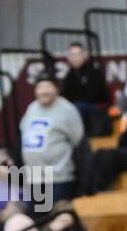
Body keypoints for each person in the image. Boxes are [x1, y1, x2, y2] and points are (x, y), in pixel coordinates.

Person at [20, 75, 84, 209]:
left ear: (57, 89)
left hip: (58, 177)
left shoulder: (67, 109)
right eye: (40, 87)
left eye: (48, 87)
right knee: (36, 220)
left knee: (57, 218)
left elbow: (78, 139)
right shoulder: (32, 107)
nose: (44, 91)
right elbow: (23, 133)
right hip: (35, 177)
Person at [60, 42, 110, 137]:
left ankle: (79, 137)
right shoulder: (69, 75)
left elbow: (93, 95)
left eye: (77, 54)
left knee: (77, 107)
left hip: (95, 106)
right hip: (76, 106)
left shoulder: (94, 71)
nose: (74, 58)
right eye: (72, 55)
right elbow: (65, 94)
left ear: (85, 55)